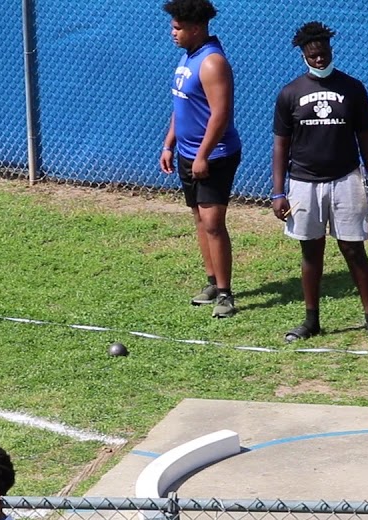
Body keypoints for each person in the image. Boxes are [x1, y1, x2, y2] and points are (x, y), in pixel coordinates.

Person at [272, 21, 368, 346]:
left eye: (323, 53)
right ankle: (311, 320)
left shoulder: (353, 88)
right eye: (313, 56)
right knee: (311, 251)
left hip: (346, 179)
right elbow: (281, 145)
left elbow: (366, 139)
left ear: (331, 50)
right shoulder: (290, 93)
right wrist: (278, 191)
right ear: (303, 55)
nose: (319, 59)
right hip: (303, 183)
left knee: (353, 249)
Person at [160, 0, 243, 318]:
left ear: (196, 29)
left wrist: (203, 155)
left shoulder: (212, 62)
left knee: (213, 223)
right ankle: (211, 282)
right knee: (199, 218)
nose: (173, 33)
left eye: (178, 28)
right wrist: (169, 144)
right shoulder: (188, 56)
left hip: (214, 156)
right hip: (187, 153)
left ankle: (225, 294)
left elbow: (220, 115)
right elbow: (182, 104)